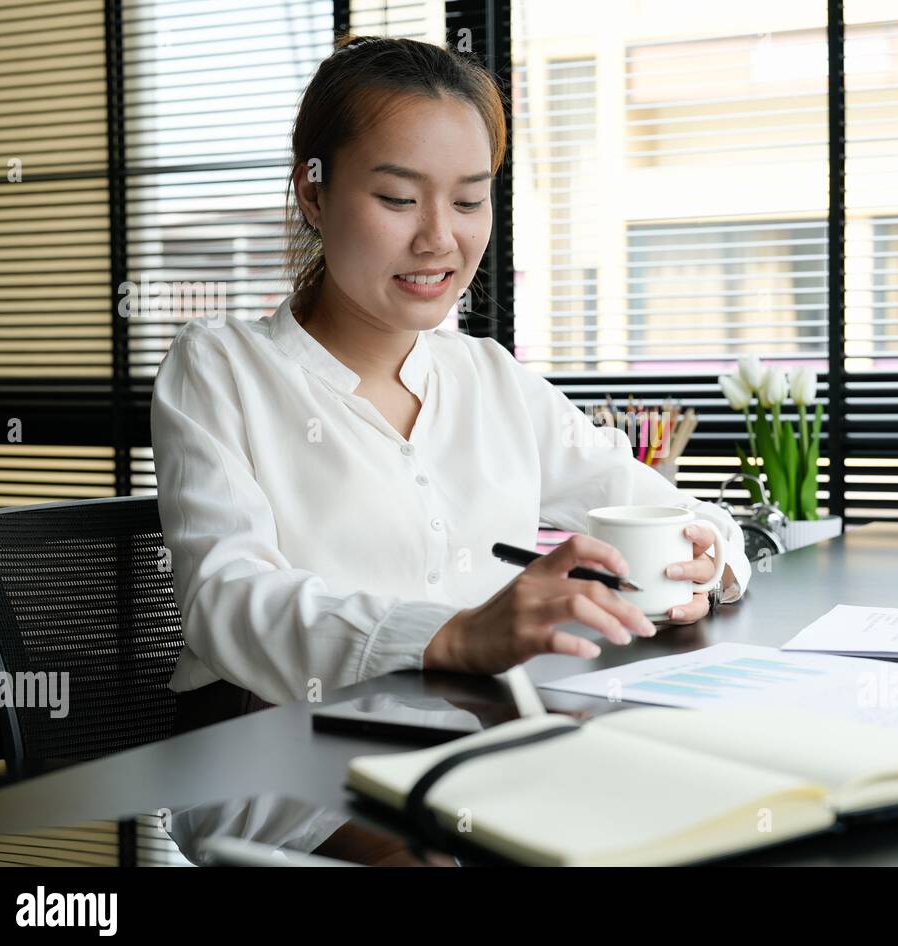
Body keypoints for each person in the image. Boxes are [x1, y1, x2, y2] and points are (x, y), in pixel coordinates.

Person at [151, 35, 751, 733]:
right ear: (313, 192)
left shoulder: (488, 377)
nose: (438, 238)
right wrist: (455, 635)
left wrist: (705, 561)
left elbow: (665, 508)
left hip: (479, 748)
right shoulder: (221, 370)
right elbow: (227, 600)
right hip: (274, 767)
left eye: (469, 201)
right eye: (398, 197)